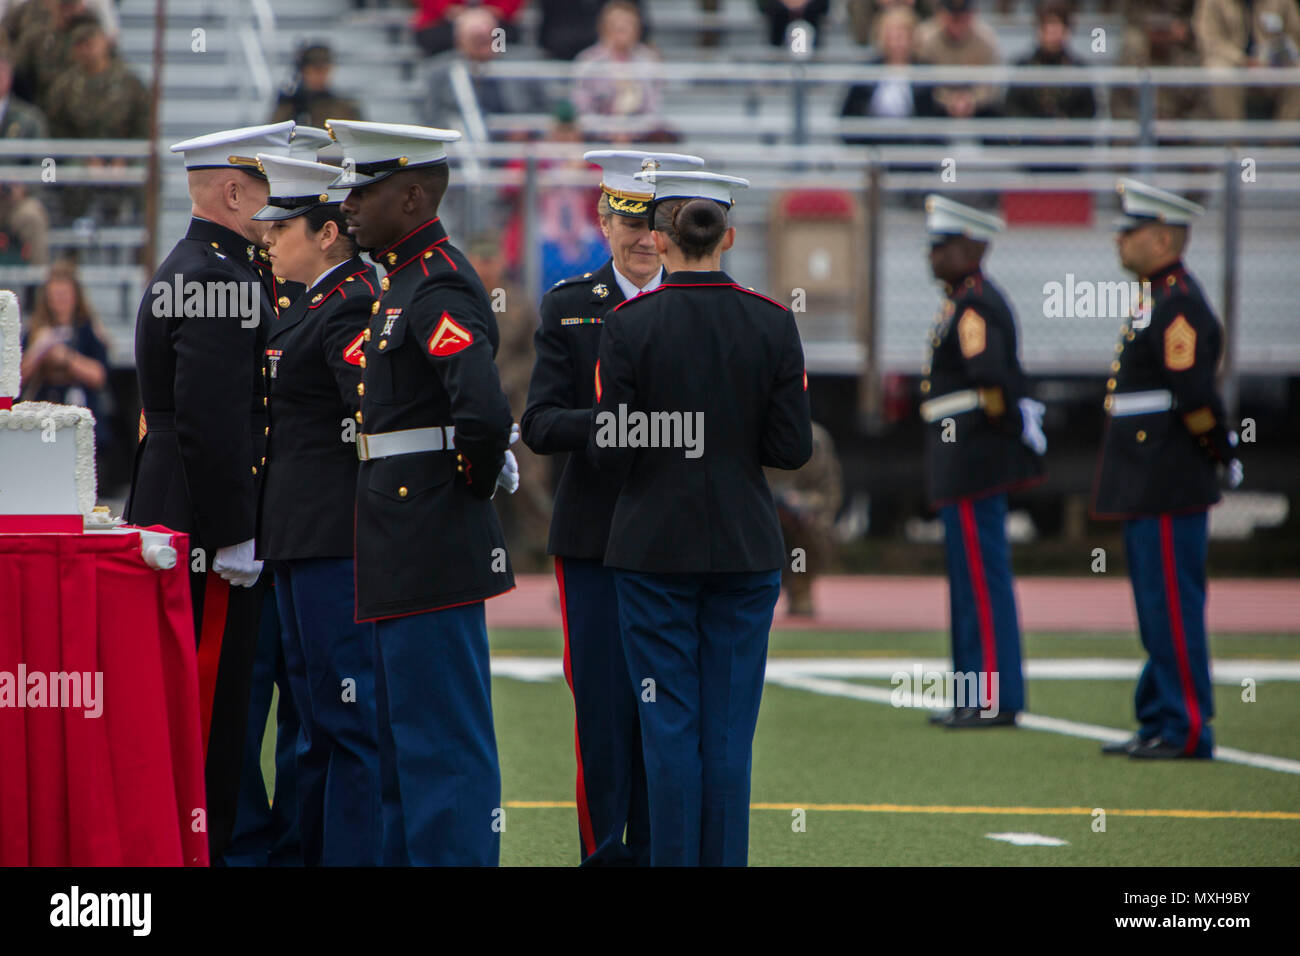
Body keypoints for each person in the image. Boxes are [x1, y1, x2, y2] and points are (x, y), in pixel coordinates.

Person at [588, 168, 813, 866]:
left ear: (659, 237)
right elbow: (791, 449)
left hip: (653, 549)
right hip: (745, 549)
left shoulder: (628, 324)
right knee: (727, 734)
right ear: (730, 235)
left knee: (668, 730)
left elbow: (611, 452)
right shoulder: (773, 321)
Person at [331, 119, 517, 866]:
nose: (348, 203)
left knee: (441, 746)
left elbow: (482, 412)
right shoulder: (401, 281)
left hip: (429, 534)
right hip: (400, 533)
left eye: (364, 189)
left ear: (411, 196)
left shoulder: (434, 282)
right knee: (402, 741)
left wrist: (461, 494)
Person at [523, 149, 704, 866]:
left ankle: (661, 853)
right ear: (601, 219)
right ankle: (604, 856)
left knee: (666, 714)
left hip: (674, 538)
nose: (640, 236)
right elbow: (538, 423)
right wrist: (614, 425)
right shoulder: (570, 306)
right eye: (627, 219)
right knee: (602, 713)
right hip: (596, 540)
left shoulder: (697, 304)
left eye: (654, 221)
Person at [124, 120, 296, 861]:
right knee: (207, 710)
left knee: (199, 705)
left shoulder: (199, 267)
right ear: (232, 191)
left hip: (181, 497)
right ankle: (203, 849)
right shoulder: (218, 279)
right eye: (264, 195)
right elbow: (212, 420)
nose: (273, 213)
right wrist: (234, 530)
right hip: (202, 514)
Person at [250, 151, 382, 863]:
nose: (269, 238)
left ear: (328, 232)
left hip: (336, 536)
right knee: (313, 716)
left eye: (284, 226)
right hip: (302, 535)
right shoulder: (317, 303)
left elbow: (372, 411)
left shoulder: (353, 300)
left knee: (345, 717)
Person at [1093, 179, 1242, 760]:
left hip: (1168, 478)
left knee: (1173, 607)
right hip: (1149, 477)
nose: (1118, 239)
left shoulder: (1176, 302)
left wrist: (1219, 454)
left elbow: (1195, 395)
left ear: (1162, 237)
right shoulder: (1157, 297)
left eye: (1129, 231)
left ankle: (1185, 727)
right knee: (1157, 606)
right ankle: (1159, 715)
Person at [919, 195, 1045, 729]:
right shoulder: (962, 301)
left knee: (981, 581)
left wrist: (994, 438)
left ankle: (992, 695)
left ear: (972, 246)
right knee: (969, 582)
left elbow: (991, 380)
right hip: (962, 454)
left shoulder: (974, 305)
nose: (933, 256)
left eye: (943, 246)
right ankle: (975, 692)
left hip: (972, 456)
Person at [18, 260, 110, 441]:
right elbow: (15, 380)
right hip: (43, 425)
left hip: (82, 421)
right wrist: (40, 352)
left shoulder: (87, 329)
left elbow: (100, 376)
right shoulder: (36, 331)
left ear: (75, 296)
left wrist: (67, 359)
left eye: (64, 296)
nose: (59, 302)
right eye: (55, 296)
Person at [765, 420, 843, 616]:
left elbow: (830, 495)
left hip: (798, 527)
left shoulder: (815, 441)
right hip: (759, 523)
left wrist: (800, 504)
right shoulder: (747, 435)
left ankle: (799, 586)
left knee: (814, 531)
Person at [839, 6, 937, 146]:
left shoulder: (925, 72)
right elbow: (848, 114)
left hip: (914, 145)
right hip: (874, 142)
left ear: (913, 38)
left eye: (902, 36)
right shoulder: (867, 72)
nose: (897, 42)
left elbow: (932, 117)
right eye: (893, 36)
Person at [1194, 0, 1300, 121]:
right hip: (1232, 62)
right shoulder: (1211, 2)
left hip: (1272, 63)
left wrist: (1269, 60)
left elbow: (1295, 36)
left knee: (1297, 73)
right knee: (1220, 73)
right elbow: (1210, 40)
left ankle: (1283, 137)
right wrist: (1244, 61)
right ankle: (1233, 136)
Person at [572, 1, 662, 141]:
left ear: (637, 29)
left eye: (627, 22)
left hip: (639, 139)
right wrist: (609, 131)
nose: (621, 27)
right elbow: (583, 110)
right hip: (598, 138)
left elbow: (652, 110)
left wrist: (631, 132)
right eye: (616, 22)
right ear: (603, 27)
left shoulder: (648, 61)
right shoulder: (588, 62)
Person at [1004, 0, 1097, 121]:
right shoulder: (1023, 67)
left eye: (1057, 27)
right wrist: (1037, 126)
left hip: (1070, 137)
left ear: (1067, 30)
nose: (1052, 34)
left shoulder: (1079, 68)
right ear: (1039, 30)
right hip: (1030, 137)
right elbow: (1012, 108)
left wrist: (1067, 124)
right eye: (1047, 27)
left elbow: (1088, 110)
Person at [914, 0, 1003, 119]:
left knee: (996, 115)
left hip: (977, 105)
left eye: (963, 18)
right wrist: (948, 100)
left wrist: (972, 101)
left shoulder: (986, 39)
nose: (958, 24)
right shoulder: (926, 38)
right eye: (953, 18)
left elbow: (991, 83)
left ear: (972, 15)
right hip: (938, 104)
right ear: (941, 15)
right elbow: (923, 81)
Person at [270, 44, 362, 129]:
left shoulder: (344, 108)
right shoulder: (289, 107)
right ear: (304, 71)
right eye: (316, 70)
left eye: (325, 69)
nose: (321, 75)